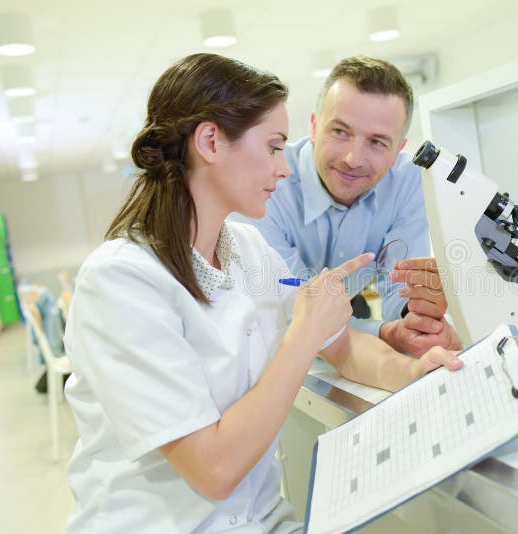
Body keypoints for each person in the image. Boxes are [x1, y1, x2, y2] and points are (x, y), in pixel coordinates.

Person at [63, 53, 462, 533]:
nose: (286, 167)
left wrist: (415, 371)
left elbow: (341, 345)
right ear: (210, 142)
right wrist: (303, 333)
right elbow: (214, 470)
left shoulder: (249, 250)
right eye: (274, 147)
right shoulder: (121, 281)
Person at [233, 56, 459, 357]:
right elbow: (293, 308)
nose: (353, 159)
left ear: (398, 150)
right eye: (340, 132)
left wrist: (417, 319)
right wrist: (382, 332)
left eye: (377, 142)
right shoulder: (268, 182)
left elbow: (398, 288)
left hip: (345, 348)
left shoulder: (409, 183)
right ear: (314, 127)